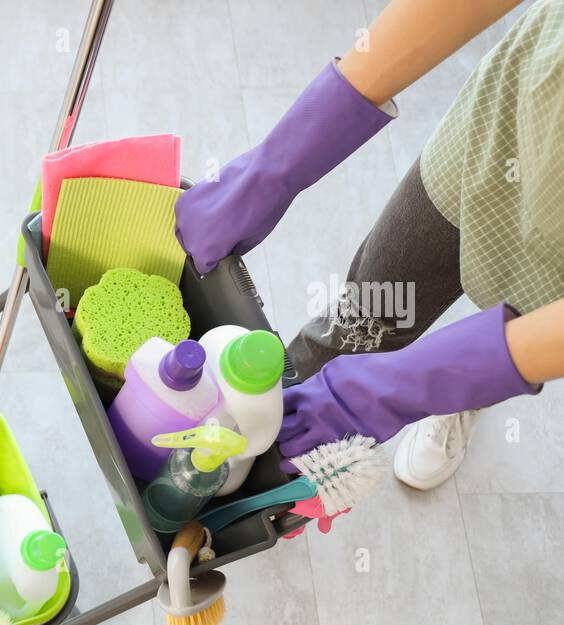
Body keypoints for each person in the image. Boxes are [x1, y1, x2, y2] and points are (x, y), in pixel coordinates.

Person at [174, 0, 562, 490]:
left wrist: (407, 388)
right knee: (368, 313)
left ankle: (462, 393)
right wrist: (277, 165)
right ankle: (276, 445)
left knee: (500, 342)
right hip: (513, 123)